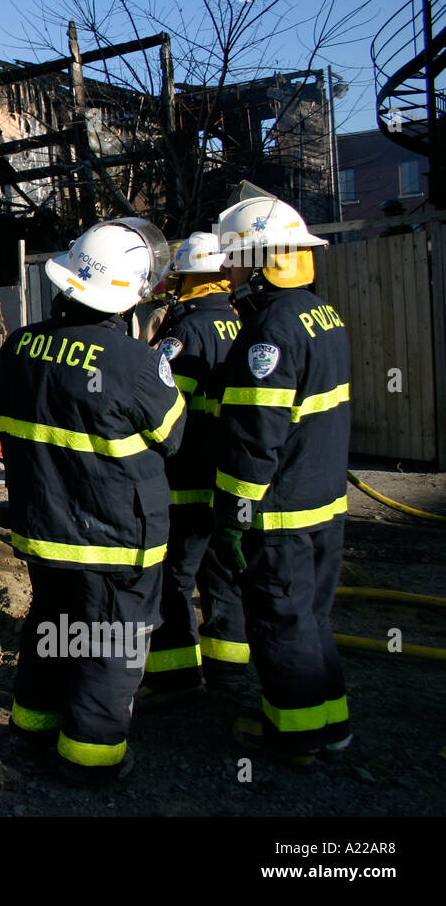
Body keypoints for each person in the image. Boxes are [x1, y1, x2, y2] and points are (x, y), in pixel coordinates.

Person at [0, 217, 186, 785]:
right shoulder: (137, 365)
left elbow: (5, 423)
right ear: (130, 294)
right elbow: (173, 438)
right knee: (111, 640)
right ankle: (90, 759)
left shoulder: (19, 348)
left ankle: (32, 731)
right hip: (116, 538)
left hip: (43, 529)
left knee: (52, 623)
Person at [210, 185, 352, 765]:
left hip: (282, 513)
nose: (229, 269)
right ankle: (330, 725)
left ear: (264, 258)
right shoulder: (323, 314)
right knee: (312, 618)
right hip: (324, 504)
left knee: (280, 621)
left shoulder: (268, 335)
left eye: (237, 257)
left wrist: (234, 517)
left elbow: (253, 440)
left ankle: (294, 737)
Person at [139, 231, 244, 705]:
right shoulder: (244, 323)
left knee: (174, 579)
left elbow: (163, 406)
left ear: (188, 280)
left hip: (184, 479)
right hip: (230, 478)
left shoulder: (184, 333)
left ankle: (176, 675)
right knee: (222, 575)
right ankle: (230, 670)